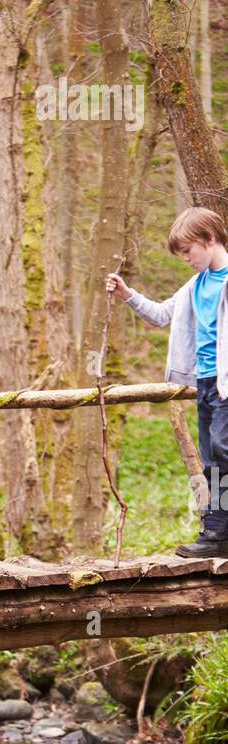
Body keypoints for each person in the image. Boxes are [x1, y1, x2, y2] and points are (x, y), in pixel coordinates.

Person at [107, 206, 228, 558]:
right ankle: (217, 533)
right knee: (212, 460)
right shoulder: (195, 285)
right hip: (205, 385)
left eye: (189, 251)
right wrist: (127, 295)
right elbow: (161, 315)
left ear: (209, 239)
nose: (186, 260)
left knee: (223, 450)